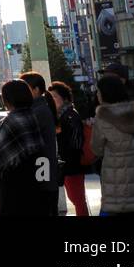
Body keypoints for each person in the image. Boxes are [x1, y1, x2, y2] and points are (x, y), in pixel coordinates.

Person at [90, 74, 134, 216]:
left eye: (99, 91)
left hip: (114, 180)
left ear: (105, 93)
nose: (97, 94)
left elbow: (96, 149)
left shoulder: (101, 117)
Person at [0, 79, 49, 216]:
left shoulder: (8, 122)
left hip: (13, 183)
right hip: (36, 180)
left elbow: (1, 158)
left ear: (7, 99)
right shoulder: (34, 116)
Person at [20, 72, 60, 215]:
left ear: (36, 90)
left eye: (25, 89)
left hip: (42, 175)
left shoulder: (38, 111)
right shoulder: (40, 108)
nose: (22, 94)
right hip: (44, 174)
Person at [49, 82, 88, 216]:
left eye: (55, 96)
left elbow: (76, 142)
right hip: (68, 164)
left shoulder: (70, 115)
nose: (52, 99)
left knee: (77, 199)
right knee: (76, 198)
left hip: (72, 164)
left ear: (64, 98)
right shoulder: (61, 115)